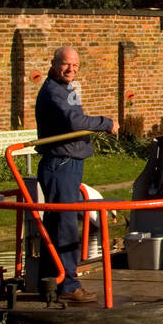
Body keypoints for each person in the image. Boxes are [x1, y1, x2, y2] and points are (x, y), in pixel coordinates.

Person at [34, 47, 118, 304]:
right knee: (66, 226)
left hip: (66, 164)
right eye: (66, 64)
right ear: (54, 64)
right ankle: (68, 285)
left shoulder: (66, 88)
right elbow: (75, 121)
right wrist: (107, 123)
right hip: (61, 165)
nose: (71, 69)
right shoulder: (54, 91)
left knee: (58, 224)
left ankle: (51, 281)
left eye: (75, 65)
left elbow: (76, 118)